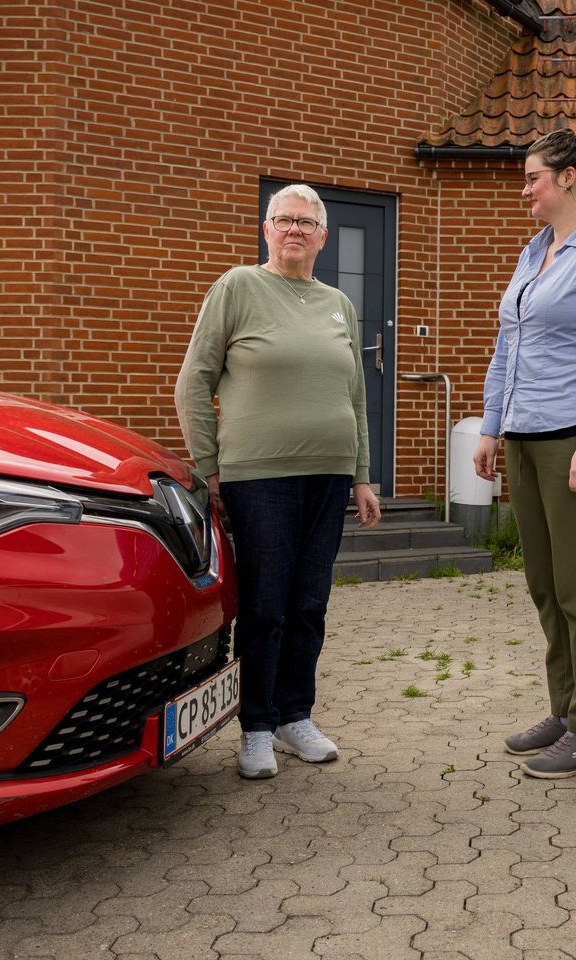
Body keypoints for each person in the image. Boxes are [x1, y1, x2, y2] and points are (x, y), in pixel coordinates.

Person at [175, 183, 381, 780]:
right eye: (284, 219)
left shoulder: (338, 303)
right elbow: (193, 383)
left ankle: (296, 717)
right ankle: (256, 728)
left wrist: (363, 477)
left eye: (307, 222)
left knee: (310, 603)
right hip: (258, 479)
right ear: (267, 229)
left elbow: (355, 397)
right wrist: (209, 468)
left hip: (329, 476)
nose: (295, 230)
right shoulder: (237, 287)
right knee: (265, 606)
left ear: (322, 236)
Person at [475, 128, 576, 779]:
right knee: (546, 587)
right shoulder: (534, 251)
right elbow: (506, 348)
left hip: (575, 440)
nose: (525, 191)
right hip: (524, 438)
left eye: (532, 178)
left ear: (568, 178)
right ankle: (566, 712)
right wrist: (491, 428)